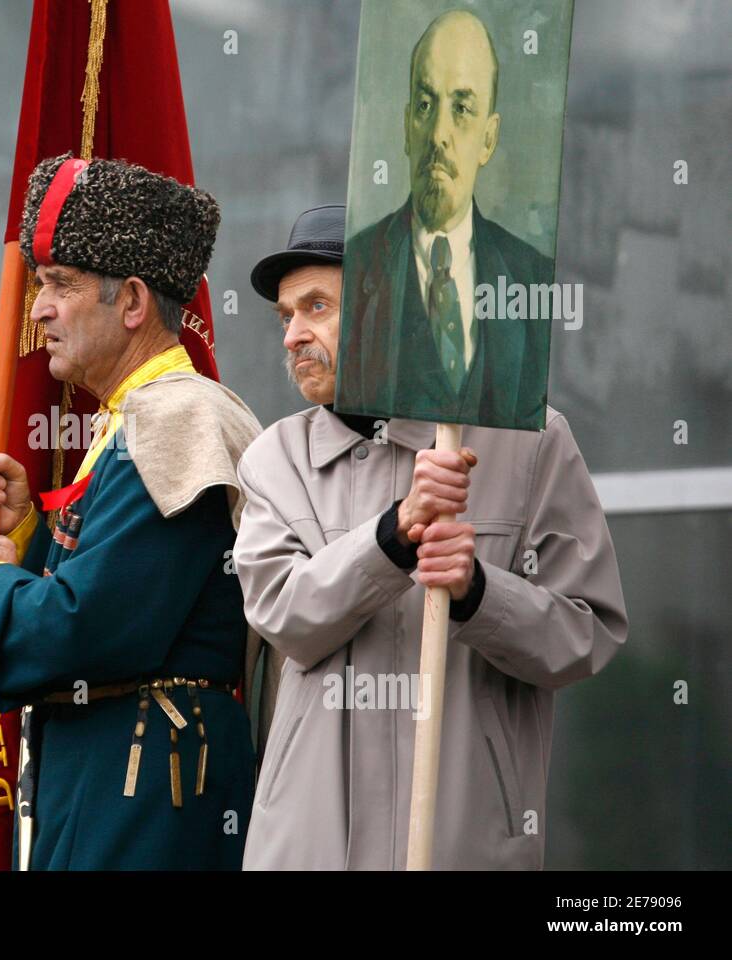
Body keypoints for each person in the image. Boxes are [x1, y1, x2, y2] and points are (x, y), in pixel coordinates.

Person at [237, 203, 627, 869]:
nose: (291, 335)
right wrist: (392, 536)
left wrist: (478, 594)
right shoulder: (273, 460)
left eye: (315, 308)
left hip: (465, 844)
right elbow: (286, 617)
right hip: (309, 849)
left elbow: (586, 635)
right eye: (285, 316)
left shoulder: (528, 441)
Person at [0, 154, 261, 870]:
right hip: (125, 769)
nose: (38, 310)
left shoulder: (175, 419)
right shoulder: (142, 418)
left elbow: (92, 630)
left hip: (147, 779)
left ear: (133, 303)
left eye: (60, 285)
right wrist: (27, 533)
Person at [340, 8, 554, 431]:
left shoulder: (533, 277)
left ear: (488, 139)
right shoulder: (355, 268)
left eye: (461, 108)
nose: (439, 133)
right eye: (425, 104)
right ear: (406, 127)